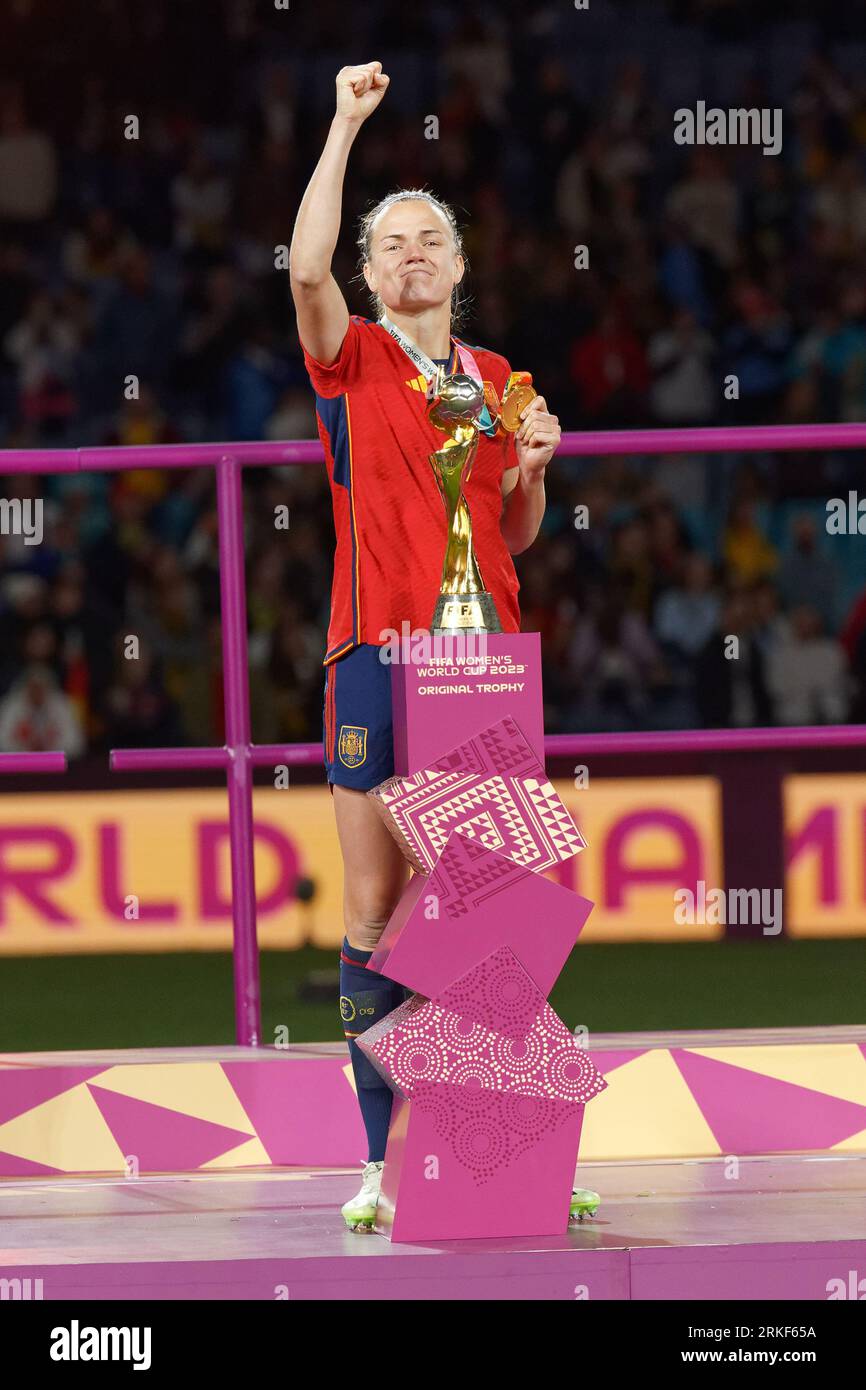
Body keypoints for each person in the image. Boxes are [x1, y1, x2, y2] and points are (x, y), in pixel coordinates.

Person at [289, 62, 594, 1231]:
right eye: (393, 243)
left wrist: (531, 472)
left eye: (431, 241)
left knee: (483, 908)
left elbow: (513, 533)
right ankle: (380, 1162)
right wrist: (343, 125)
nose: (411, 255)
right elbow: (302, 265)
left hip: (483, 665)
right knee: (373, 910)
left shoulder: (500, 380)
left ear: (460, 268)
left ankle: (494, 1153)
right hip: (373, 652)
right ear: (371, 274)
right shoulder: (349, 354)